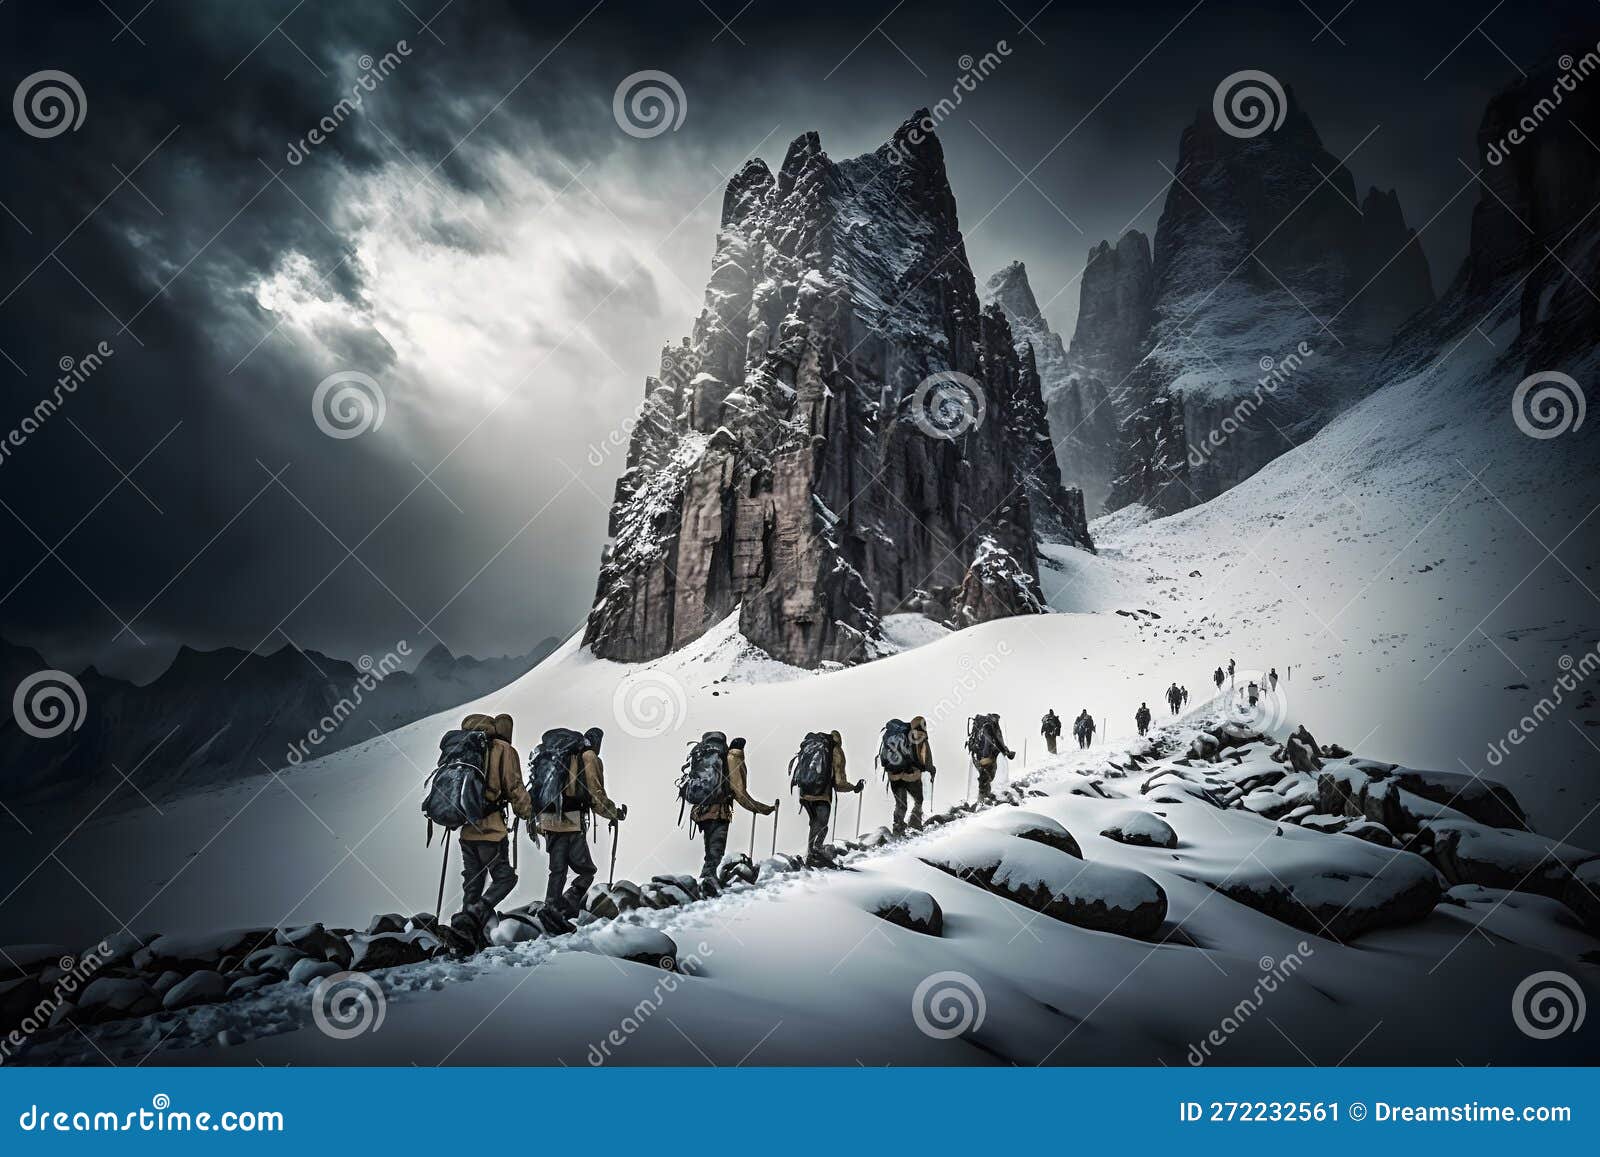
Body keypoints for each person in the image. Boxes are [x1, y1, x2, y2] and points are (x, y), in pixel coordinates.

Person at [455, 713, 535, 940]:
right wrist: (527, 812)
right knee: (505, 878)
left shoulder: (465, 747)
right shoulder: (503, 749)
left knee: (473, 882)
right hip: (492, 831)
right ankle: (476, 913)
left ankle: (465, 934)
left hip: (467, 830)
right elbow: (515, 786)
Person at [538, 726, 625, 921]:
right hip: (571, 818)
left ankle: (551, 905)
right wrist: (613, 813)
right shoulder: (589, 757)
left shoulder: (559, 755)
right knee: (586, 870)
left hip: (548, 818)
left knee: (557, 868)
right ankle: (565, 905)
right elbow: (596, 794)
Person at [690, 736, 775, 888]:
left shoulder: (704, 755)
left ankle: (705, 885)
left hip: (701, 810)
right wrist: (761, 809)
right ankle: (706, 886)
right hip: (718, 813)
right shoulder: (733, 758)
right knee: (715, 855)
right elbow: (740, 793)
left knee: (710, 854)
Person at [798, 730, 862, 866]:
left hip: (804, 793)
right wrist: (854, 788)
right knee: (822, 824)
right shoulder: (835, 750)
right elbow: (839, 782)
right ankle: (814, 853)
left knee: (815, 822)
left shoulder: (811, 747)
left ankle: (811, 853)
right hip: (821, 794)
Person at [887, 715, 935, 834]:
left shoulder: (896, 737)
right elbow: (926, 758)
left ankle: (898, 828)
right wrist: (931, 769)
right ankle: (915, 824)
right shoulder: (921, 737)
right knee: (919, 799)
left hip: (894, 776)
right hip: (911, 776)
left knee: (901, 804)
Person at [967, 714, 1015, 800]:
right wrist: (1006, 752)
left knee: (986, 776)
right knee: (987, 776)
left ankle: (983, 797)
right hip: (985, 757)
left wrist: (1006, 751)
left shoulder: (983, 727)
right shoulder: (989, 726)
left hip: (978, 755)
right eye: (997, 719)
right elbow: (996, 740)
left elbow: (998, 742)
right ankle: (983, 799)